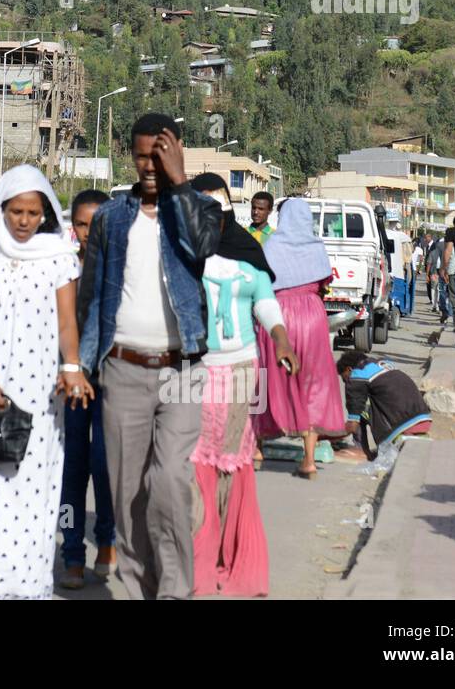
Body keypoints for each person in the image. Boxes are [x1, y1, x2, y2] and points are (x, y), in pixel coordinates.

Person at [77, 113, 224, 601]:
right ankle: (141, 590)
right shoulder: (110, 217)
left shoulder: (199, 207)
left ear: (176, 152)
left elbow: (203, 247)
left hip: (181, 367)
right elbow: (93, 295)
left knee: (168, 480)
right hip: (122, 367)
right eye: (142, 156)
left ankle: (176, 591)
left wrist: (180, 180)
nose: (149, 166)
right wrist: (82, 363)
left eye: (159, 156)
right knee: (127, 495)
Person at [0, 165, 91, 599]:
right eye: (15, 211)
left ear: (45, 212)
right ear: (0, 210)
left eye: (33, 212)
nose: (24, 220)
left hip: (37, 394)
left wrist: (72, 366)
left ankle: (27, 589)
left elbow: (68, 323)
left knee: (30, 498)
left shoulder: (58, 258)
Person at [187, 174, 297, 598]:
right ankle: (198, 559)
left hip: (236, 370)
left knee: (229, 462)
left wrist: (282, 340)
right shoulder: (180, 253)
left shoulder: (246, 252)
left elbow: (266, 302)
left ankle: (233, 560)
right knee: (193, 464)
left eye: (216, 211)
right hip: (188, 371)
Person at [255, 197, 344, 479]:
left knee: (267, 378)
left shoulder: (272, 246)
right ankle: (308, 461)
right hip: (312, 317)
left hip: (279, 314)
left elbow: (261, 283)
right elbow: (322, 286)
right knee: (313, 383)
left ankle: (256, 449)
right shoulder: (317, 248)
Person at [58, 188, 116, 590]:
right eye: (80, 224)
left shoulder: (121, 272)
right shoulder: (61, 269)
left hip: (112, 384)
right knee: (71, 469)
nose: (87, 232)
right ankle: (73, 553)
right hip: (70, 383)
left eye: (96, 225)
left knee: (104, 466)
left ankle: (107, 540)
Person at [337, 353, 431, 459]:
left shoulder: (357, 374)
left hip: (401, 425)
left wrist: (328, 436)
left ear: (349, 369)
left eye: (344, 378)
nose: (345, 382)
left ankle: (360, 451)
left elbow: (353, 424)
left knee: (359, 412)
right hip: (423, 418)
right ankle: (367, 450)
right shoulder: (383, 365)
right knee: (369, 406)